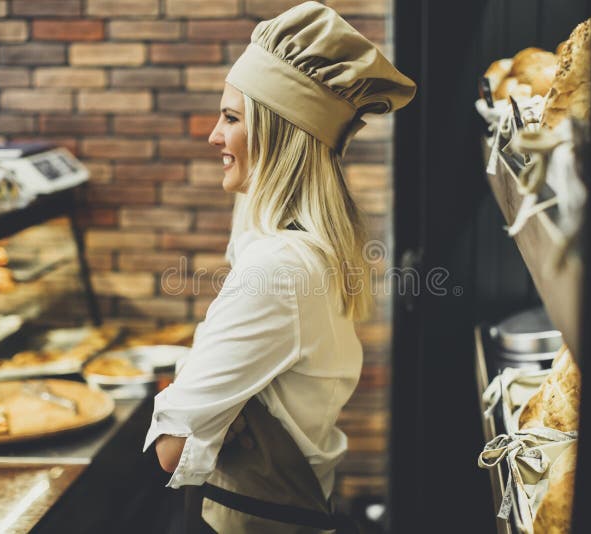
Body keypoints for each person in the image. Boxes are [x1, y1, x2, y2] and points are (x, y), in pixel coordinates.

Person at [143, 2, 416, 532]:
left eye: (230, 118)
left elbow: (172, 449)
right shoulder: (308, 248)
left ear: (277, 133)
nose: (213, 137)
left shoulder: (277, 270)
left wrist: (184, 383)